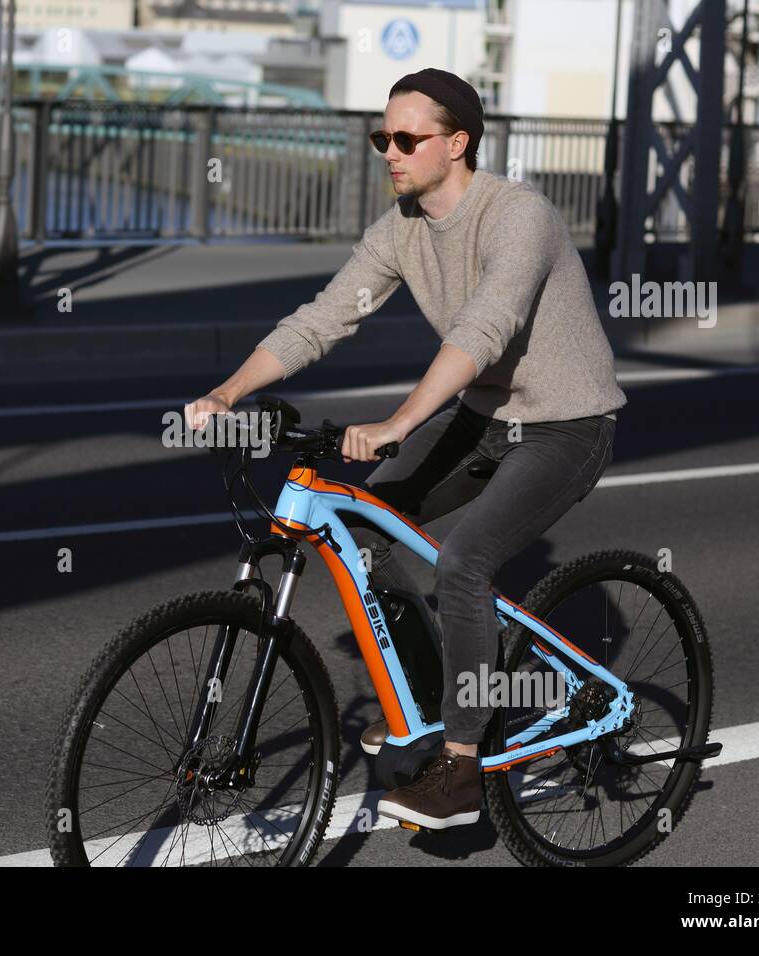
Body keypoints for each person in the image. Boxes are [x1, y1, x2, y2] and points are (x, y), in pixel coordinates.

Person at [183, 67, 626, 831]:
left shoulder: (520, 217)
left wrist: (397, 421)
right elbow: (322, 319)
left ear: (457, 143)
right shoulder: (401, 229)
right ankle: (426, 703)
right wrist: (229, 391)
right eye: (381, 136)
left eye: (406, 138)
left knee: (464, 561)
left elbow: (482, 331)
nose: (389, 150)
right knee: (361, 525)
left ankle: (460, 764)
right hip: (485, 418)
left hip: (566, 425)